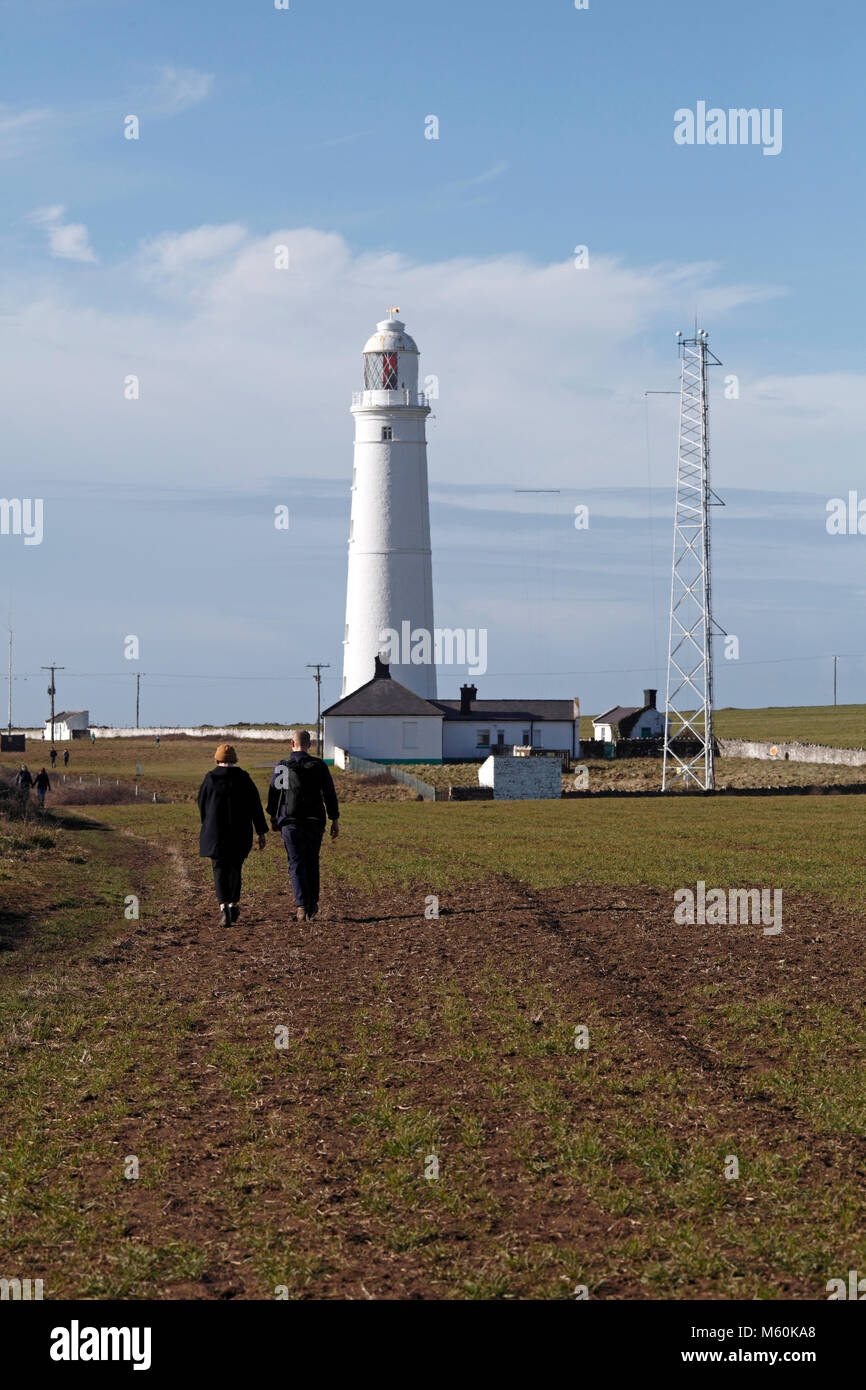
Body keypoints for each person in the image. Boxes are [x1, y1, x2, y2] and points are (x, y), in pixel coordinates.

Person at [267, 729, 339, 922]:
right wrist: (335, 818)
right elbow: (329, 794)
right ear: (310, 745)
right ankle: (312, 903)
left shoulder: (283, 766)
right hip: (314, 821)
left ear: (292, 744)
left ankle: (300, 906)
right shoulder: (319, 766)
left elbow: (274, 792)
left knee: (296, 863)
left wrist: (273, 816)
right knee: (312, 861)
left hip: (290, 822)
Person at [197, 744, 268, 928]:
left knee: (219, 870)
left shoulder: (209, 779)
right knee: (235, 869)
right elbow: (255, 806)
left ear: (217, 758)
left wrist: (206, 823)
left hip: (215, 835)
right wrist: (261, 831)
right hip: (239, 833)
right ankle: (233, 904)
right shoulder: (244, 778)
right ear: (235, 759)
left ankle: (223, 908)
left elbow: (202, 805)